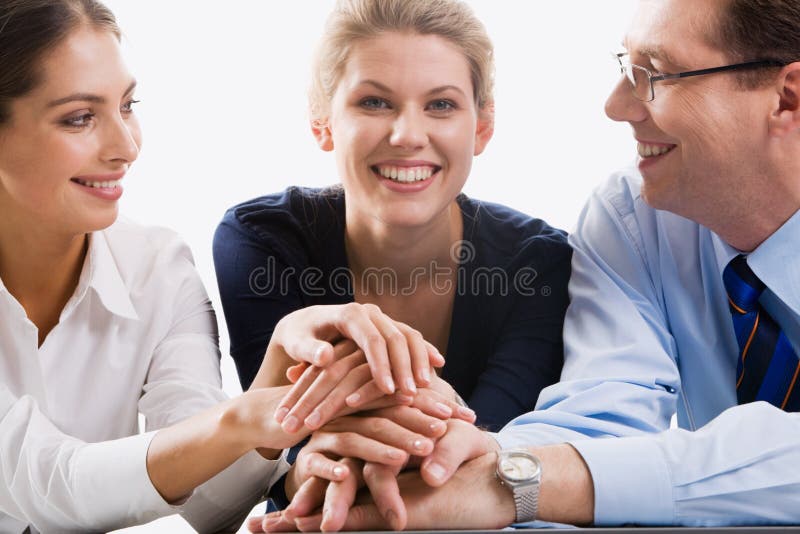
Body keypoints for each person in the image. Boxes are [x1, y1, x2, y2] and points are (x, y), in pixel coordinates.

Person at [253, 0, 800, 530]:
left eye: (655, 73)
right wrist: (455, 462)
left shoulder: (534, 254)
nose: (614, 104)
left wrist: (521, 482)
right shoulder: (635, 218)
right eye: (625, 66)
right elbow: (603, 417)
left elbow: (560, 475)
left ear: (788, 98)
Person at [0, 2, 455, 532]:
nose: (126, 147)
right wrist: (258, 415)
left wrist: (281, 370)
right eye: (80, 117)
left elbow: (211, 508)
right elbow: (48, 483)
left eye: (127, 105)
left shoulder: (156, 267)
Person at [213, 0, 571, 434]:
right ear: (322, 121)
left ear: (482, 127)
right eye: (375, 102)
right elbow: (280, 453)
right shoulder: (263, 241)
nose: (407, 136)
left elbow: (490, 448)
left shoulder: (539, 262)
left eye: (440, 105)